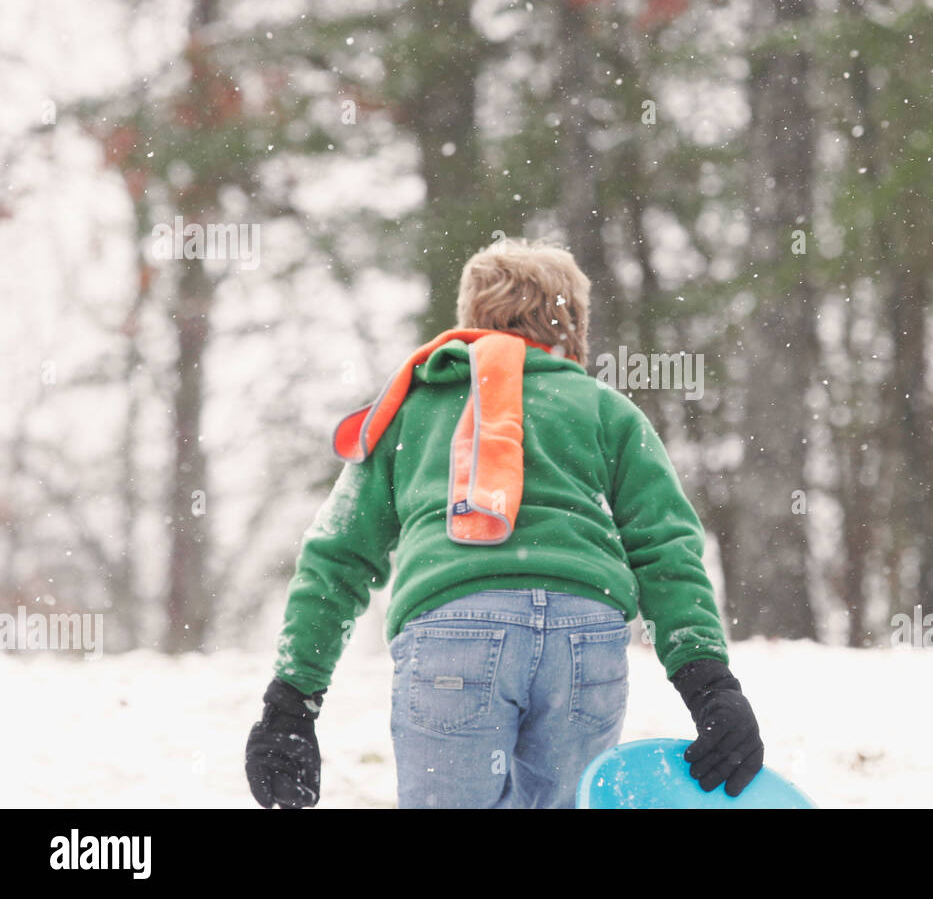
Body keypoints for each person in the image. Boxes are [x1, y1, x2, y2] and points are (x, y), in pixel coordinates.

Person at [244, 237, 764, 808]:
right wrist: (709, 685)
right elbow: (666, 549)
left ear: (472, 315)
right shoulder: (604, 409)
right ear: (571, 325)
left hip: (454, 628)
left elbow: (337, 553)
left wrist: (292, 699)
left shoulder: (411, 408)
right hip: (583, 637)